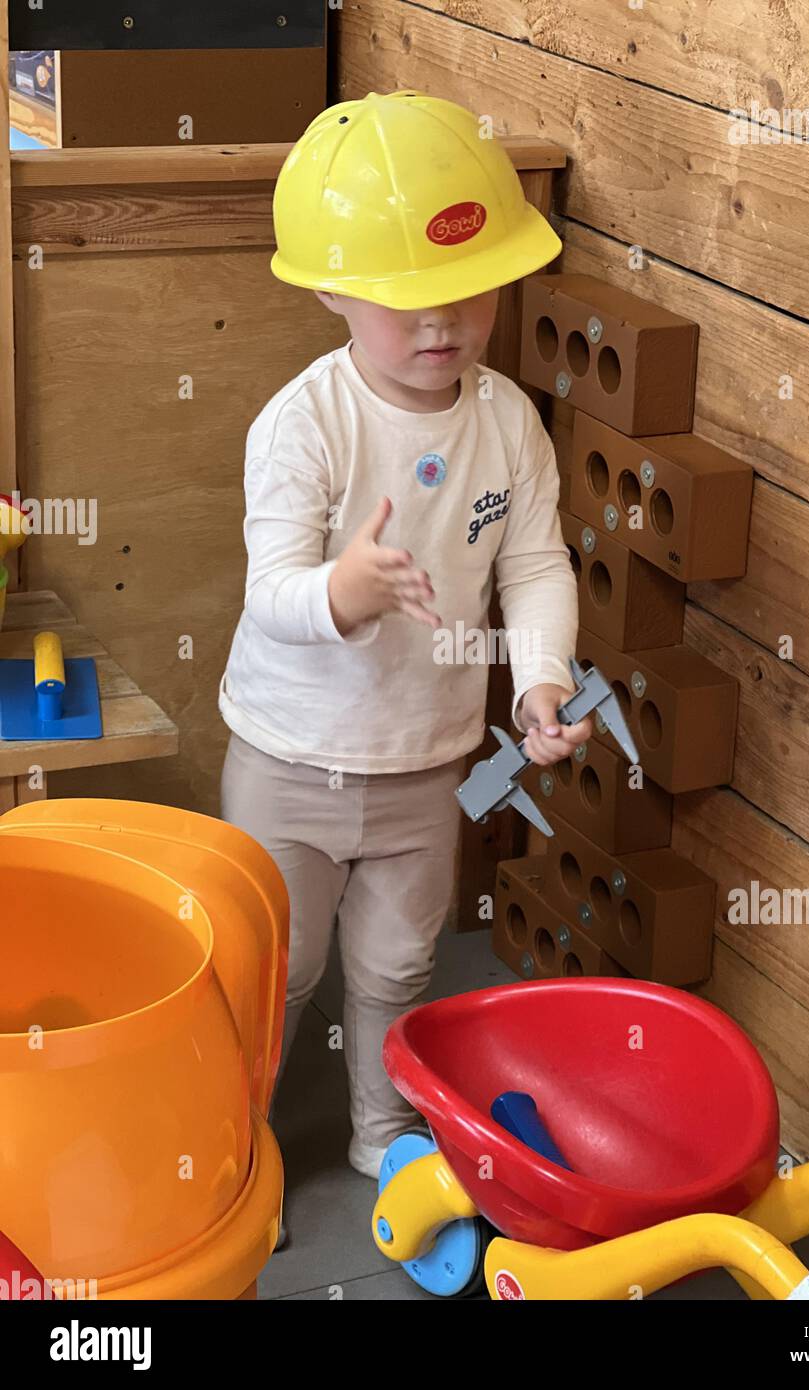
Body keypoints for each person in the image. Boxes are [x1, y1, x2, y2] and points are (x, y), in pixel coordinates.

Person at [217, 91, 591, 1243]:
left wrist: (540, 679)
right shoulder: (305, 424)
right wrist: (342, 590)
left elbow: (534, 564)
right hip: (290, 754)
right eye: (406, 300)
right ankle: (240, 1148)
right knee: (277, 968)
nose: (444, 323)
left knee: (396, 955)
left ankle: (381, 1127)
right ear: (330, 290)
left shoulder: (510, 422)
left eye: (470, 292)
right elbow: (268, 588)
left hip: (425, 759)